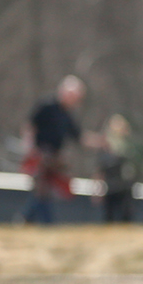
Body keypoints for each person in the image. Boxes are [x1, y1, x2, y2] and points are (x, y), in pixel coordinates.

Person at [20, 76, 99, 225]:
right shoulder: (47, 106)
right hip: (41, 155)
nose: (75, 100)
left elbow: (79, 137)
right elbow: (30, 126)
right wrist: (30, 150)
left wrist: (100, 142)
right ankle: (45, 223)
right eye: (74, 96)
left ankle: (26, 219)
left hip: (54, 159)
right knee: (42, 190)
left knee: (44, 192)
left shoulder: (67, 115)